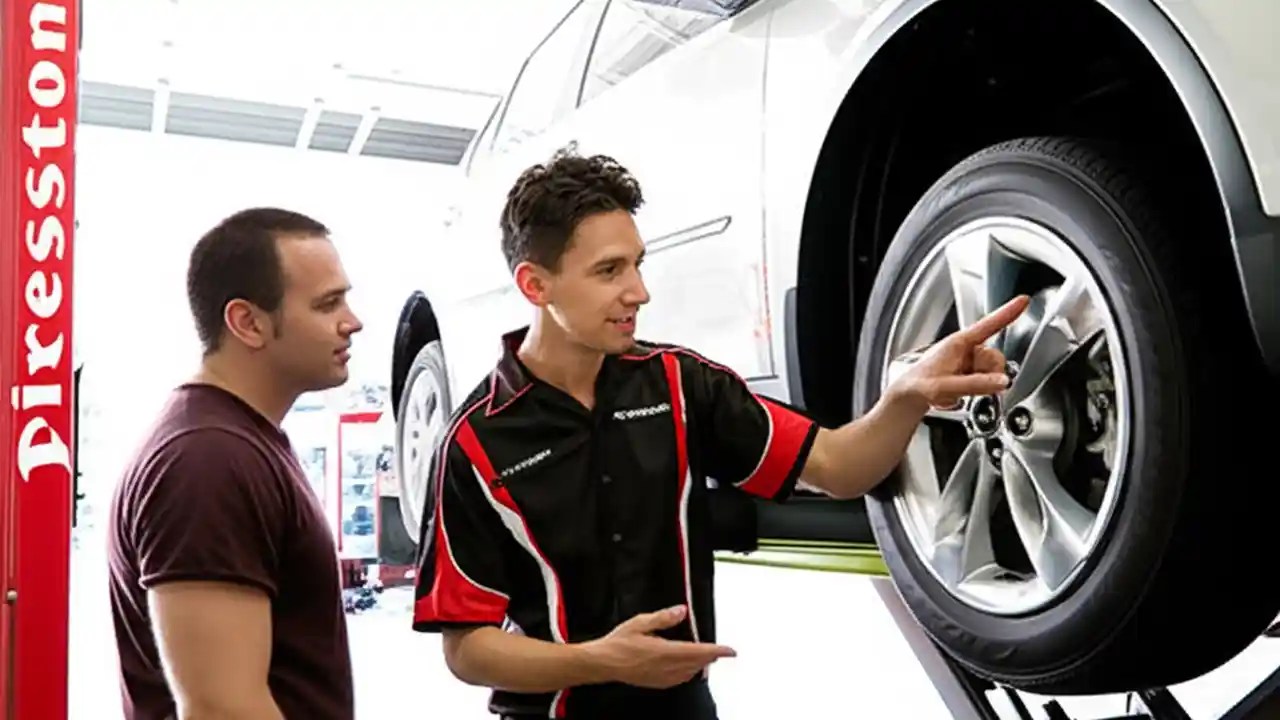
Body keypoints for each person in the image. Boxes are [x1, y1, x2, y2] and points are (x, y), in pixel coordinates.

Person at [409, 150, 1028, 719]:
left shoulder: (681, 385)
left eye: (638, 264)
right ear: (535, 286)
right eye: (609, 271)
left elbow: (840, 467)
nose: (639, 291)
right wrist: (600, 660)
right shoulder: (474, 442)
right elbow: (468, 648)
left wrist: (907, 395)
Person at [106, 208, 363, 720]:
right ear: (248, 322)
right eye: (328, 303)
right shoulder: (206, 461)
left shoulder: (237, 441)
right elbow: (223, 709)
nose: (352, 321)